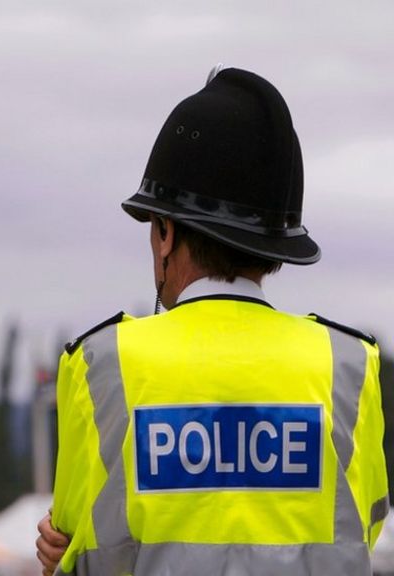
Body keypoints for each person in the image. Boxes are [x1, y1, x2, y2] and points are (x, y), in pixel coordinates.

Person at [36, 67, 387, 575]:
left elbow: (75, 542)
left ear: (165, 232)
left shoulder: (98, 364)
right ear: (275, 249)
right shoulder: (351, 365)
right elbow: (365, 524)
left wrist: (57, 561)